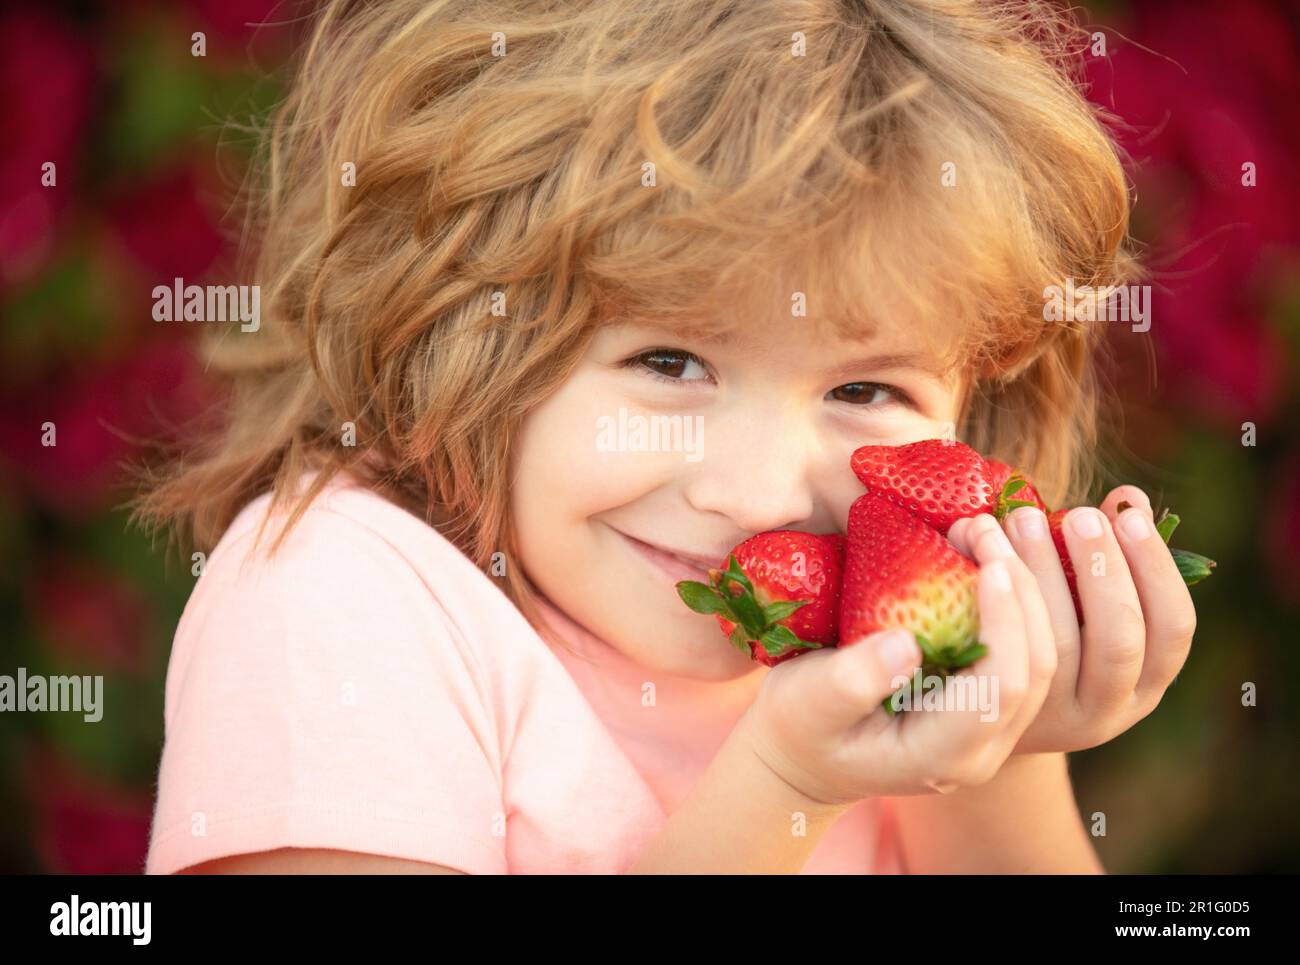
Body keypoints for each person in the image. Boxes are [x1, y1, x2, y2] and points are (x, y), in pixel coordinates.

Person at [134, 0, 1197, 874]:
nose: (759, 495)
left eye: (866, 385)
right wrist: (782, 791)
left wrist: (994, 740)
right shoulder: (346, 597)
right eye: (671, 363)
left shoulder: (881, 629)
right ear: (461, 325)